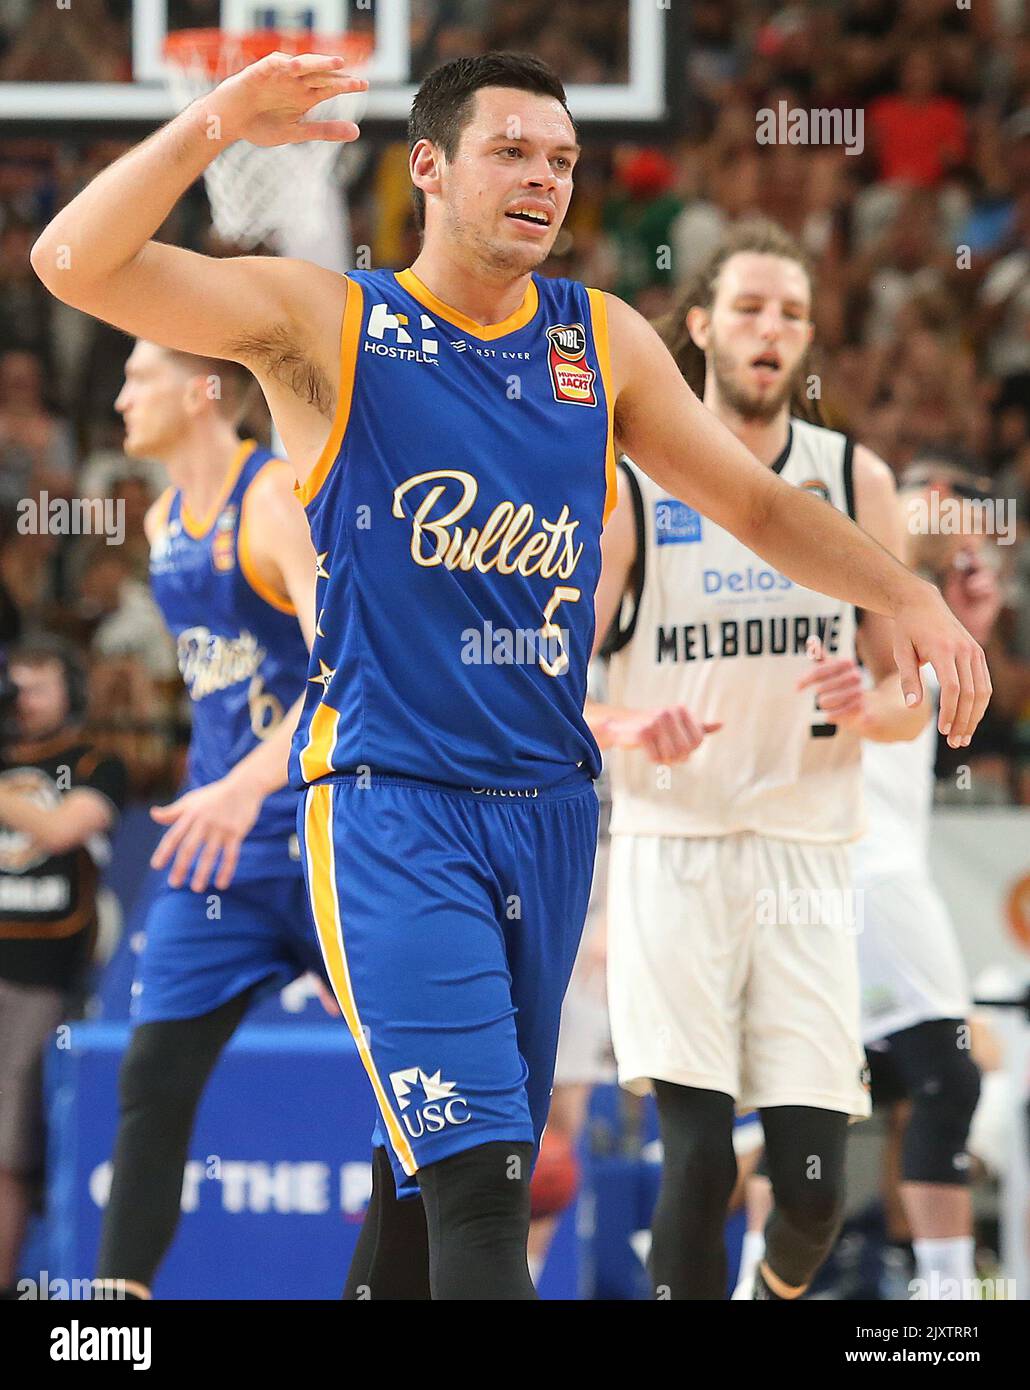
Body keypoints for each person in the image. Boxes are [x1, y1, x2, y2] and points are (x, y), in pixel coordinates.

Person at [32, 50, 989, 1302]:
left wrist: (902, 590)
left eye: (562, 163)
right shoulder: (326, 322)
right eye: (512, 154)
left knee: (429, 1196)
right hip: (389, 805)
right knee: (486, 1177)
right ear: (428, 167)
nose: (544, 181)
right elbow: (72, 263)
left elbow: (755, 501)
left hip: (544, 814)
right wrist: (219, 121)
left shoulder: (603, 341)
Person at [587, 217, 937, 1300]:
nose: (768, 329)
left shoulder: (852, 478)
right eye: (746, 307)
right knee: (693, 1159)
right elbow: (556, 682)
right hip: (673, 846)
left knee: (816, 1188)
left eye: (789, 312)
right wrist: (628, 727)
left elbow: (903, 699)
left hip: (806, 853)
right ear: (698, 326)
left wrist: (867, 704)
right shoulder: (635, 483)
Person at [92, 343, 324, 1300]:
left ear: (200, 392)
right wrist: (219, 785)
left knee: (411, 1086)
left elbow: (345, 668)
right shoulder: (158, 521)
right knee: (152, 1076)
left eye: (138, 377)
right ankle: (115, 1313)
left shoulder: (271, 500)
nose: (118, 398)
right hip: (214, 850)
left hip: (321, 834)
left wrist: (248, 784)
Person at [0, 639, 126, 1299]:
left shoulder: (96, 764)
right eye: (13, 684)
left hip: (42, 977)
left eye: (39, 685)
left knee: (10, 1147)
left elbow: (59, 832)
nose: (22, 698)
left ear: (73, 695)